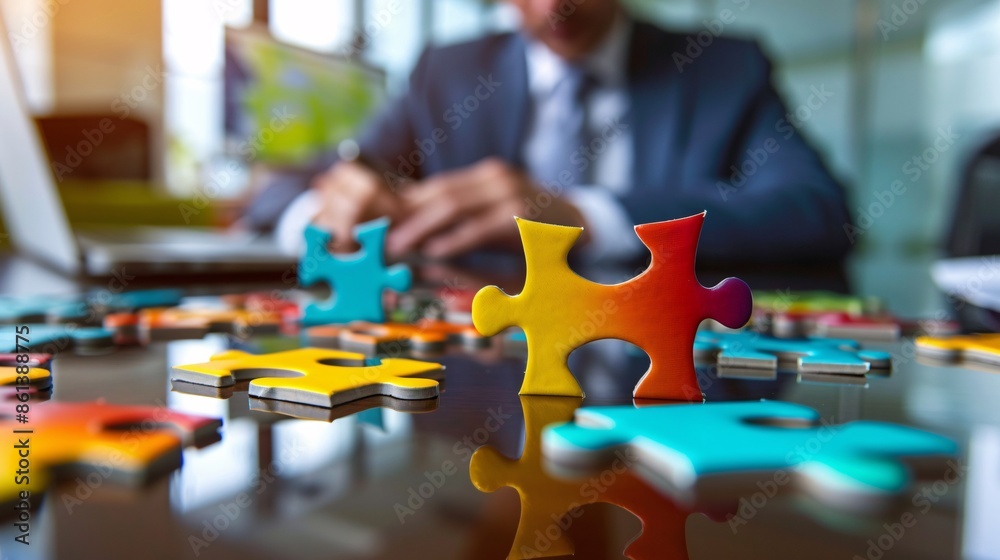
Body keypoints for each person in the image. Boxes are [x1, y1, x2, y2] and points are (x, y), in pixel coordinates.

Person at [268, 0, 853, 264]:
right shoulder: (446, 74)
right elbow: (301, 181)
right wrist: (327, 210)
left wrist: (584, 217)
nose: (554, 6)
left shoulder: (724, 69)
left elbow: (818, 210)